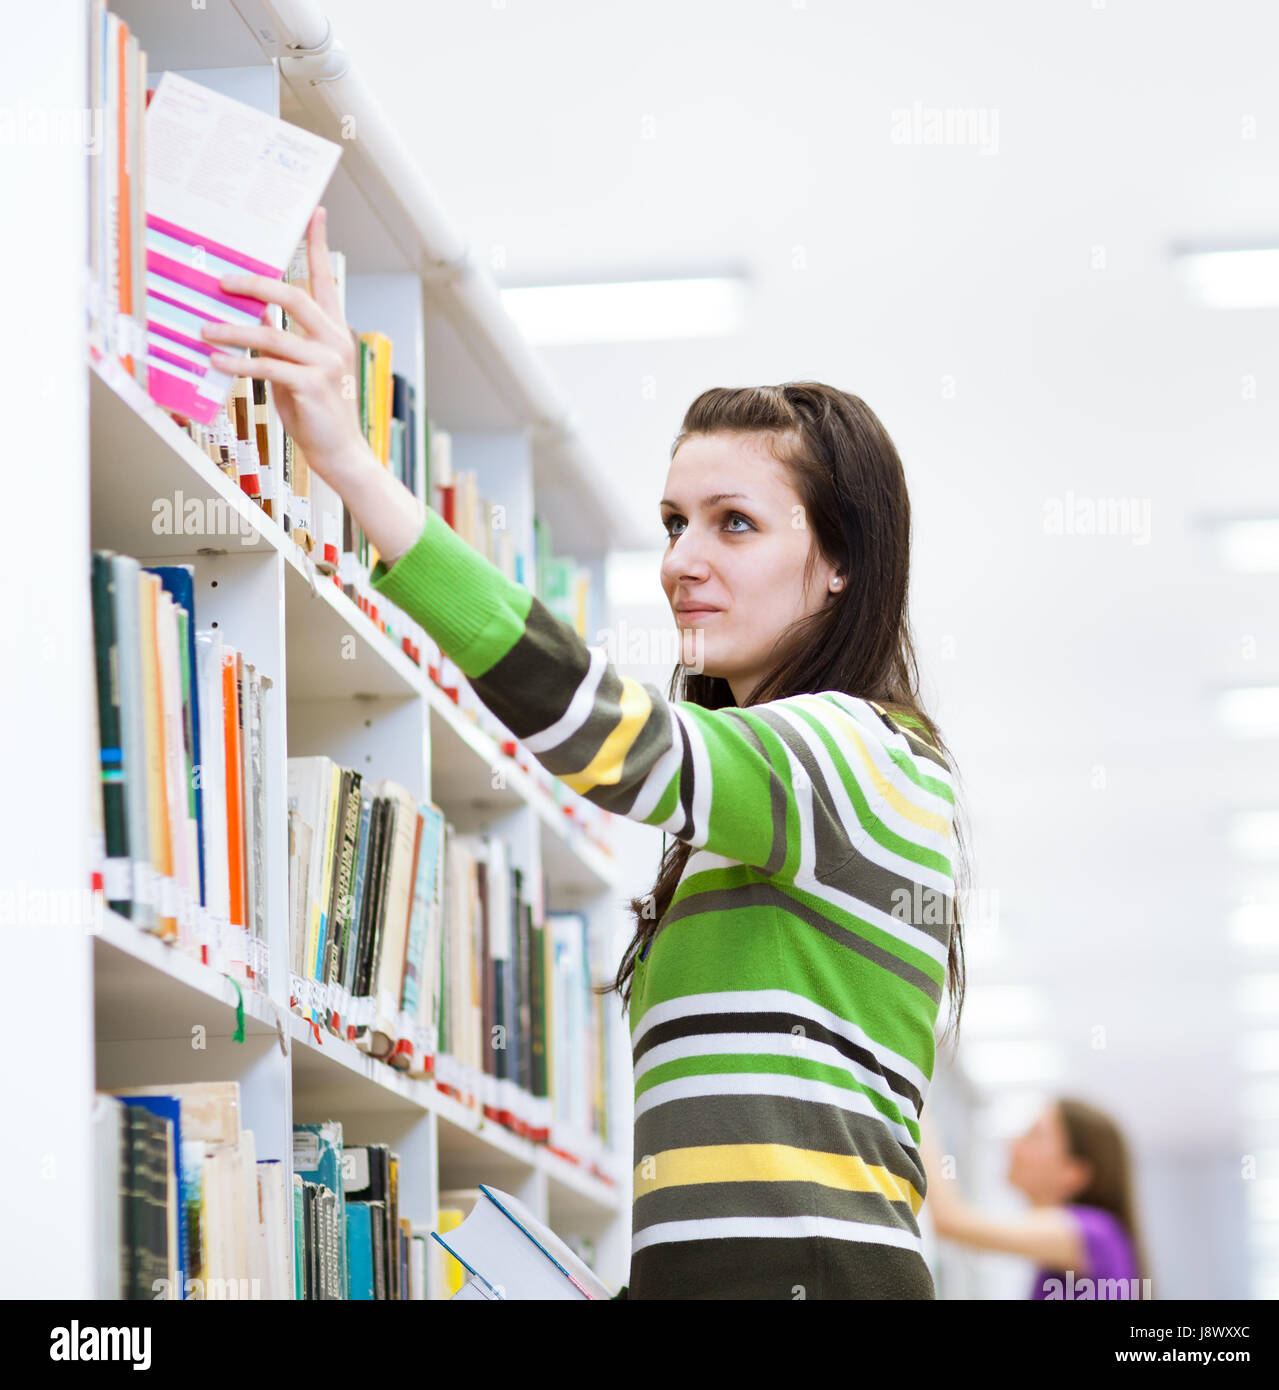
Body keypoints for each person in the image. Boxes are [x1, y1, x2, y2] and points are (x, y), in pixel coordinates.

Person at [201, 205, 967, 1299]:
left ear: (841, 559)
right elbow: (733, 1181)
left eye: (733, 523)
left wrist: (356, 470)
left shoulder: (856, 752)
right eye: (671, 523)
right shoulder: (750, 810)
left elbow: (615, 741)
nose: (681, 561)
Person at [918, 1096, 1152, 1299]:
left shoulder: (1097, 1234)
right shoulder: (1076, 1248)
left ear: (1072, 1173)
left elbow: (951, 1221)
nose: (1013, 1144)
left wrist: (913, 1099)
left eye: (1034, 1135)